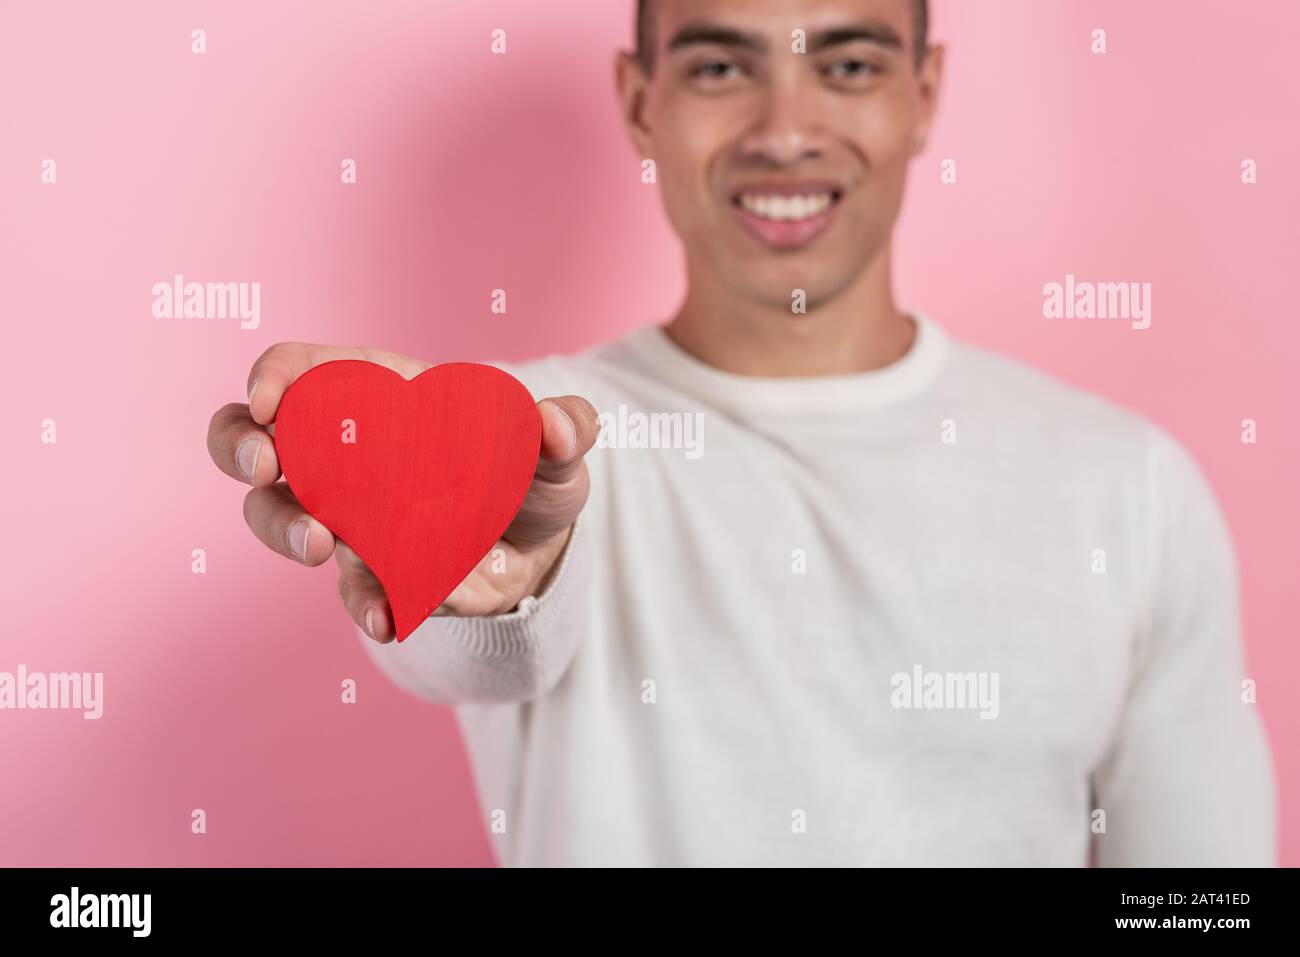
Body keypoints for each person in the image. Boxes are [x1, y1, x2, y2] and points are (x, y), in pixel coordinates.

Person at [205, 0, 1275, 866]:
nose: (784, 130)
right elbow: (480, 647)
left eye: (848, 66)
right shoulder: (524, 437)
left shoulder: (1126, 486)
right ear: (640, 101)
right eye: (721, 67)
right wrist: (480, 556)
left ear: (925, 95)